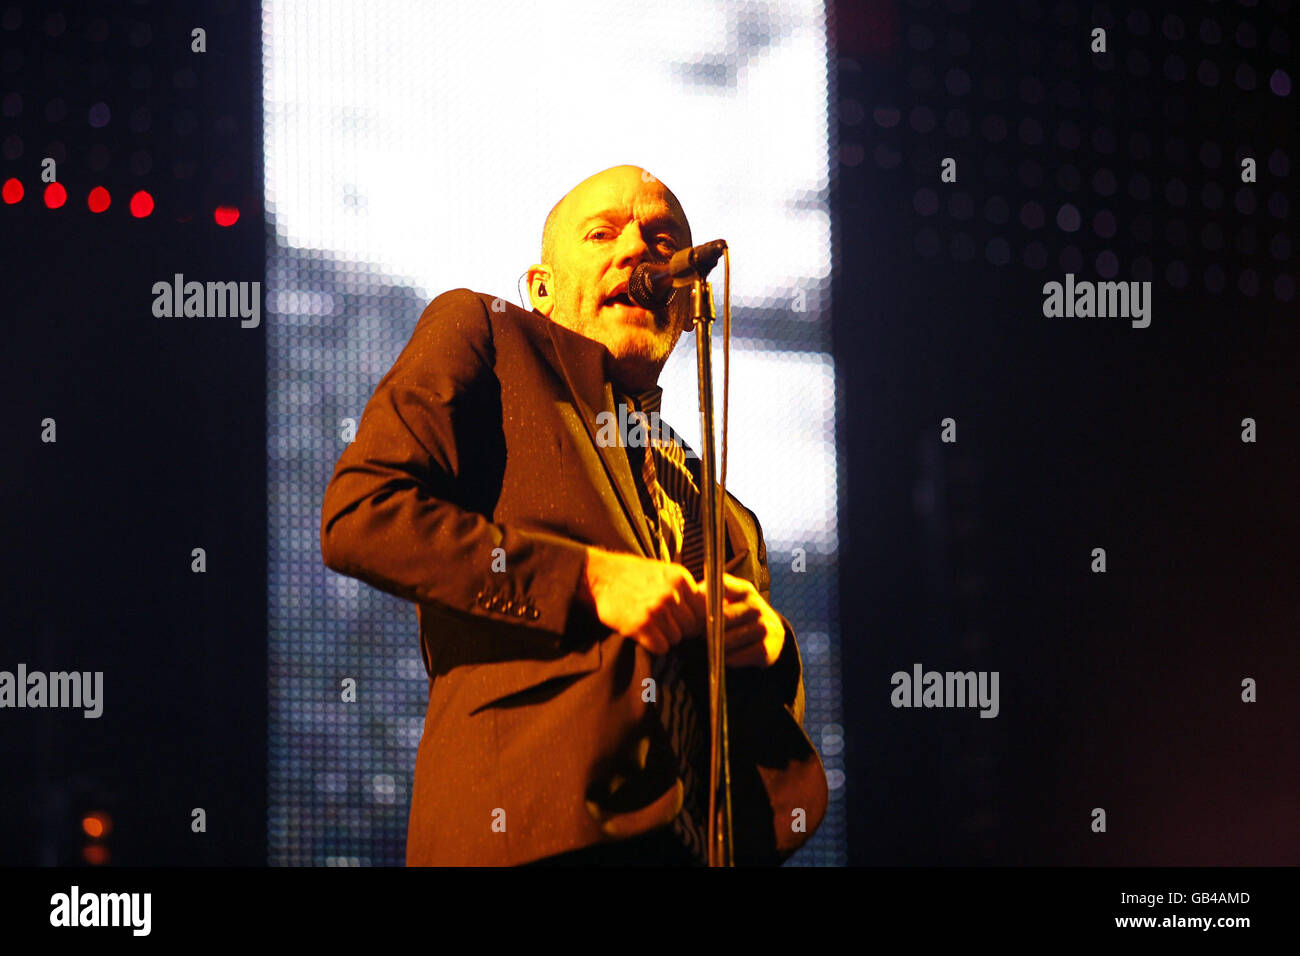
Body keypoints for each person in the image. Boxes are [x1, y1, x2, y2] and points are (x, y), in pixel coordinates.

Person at [320, 165, 827, 866]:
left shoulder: (728, 519)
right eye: (602, 234)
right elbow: (363, 514)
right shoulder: (487, 335)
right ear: (542, 290)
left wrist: (769, 650)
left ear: (684, 298)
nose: (637, 253)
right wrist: (588, 580)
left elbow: (759, 740)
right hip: (527, 835)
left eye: (661, 239)